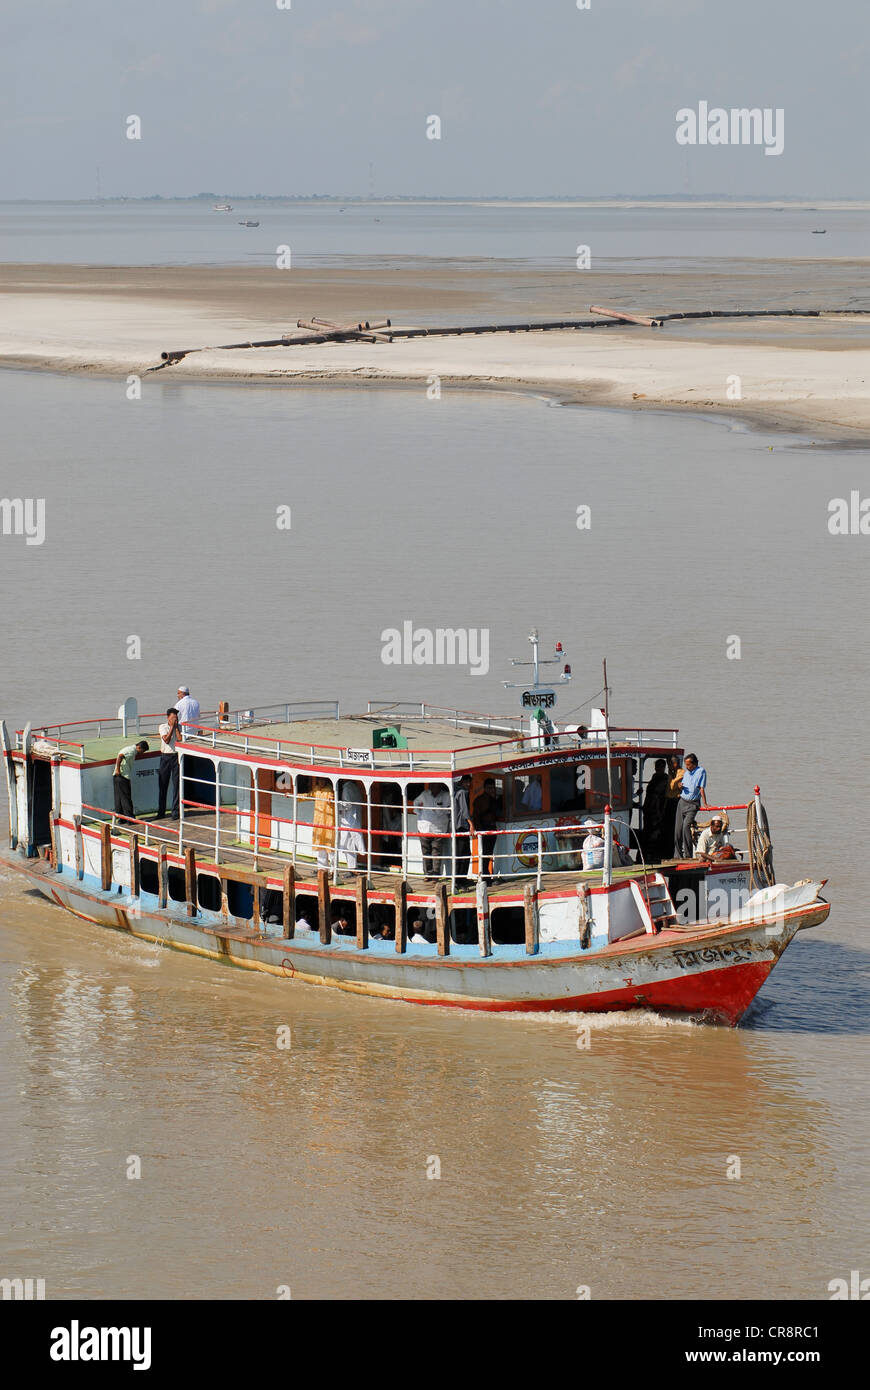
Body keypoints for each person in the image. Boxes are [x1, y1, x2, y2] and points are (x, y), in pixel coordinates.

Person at [412, 782, 451, 879]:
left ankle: (436, 875)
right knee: (426, 852)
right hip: (424, 827)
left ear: (440, 787)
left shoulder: (446, 796)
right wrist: (419, 813)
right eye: (432, 786)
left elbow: (450, 809)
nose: (433, 788)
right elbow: (415, 802)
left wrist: (445, 813)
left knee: (436, 852)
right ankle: (427, 874)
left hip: (439, 828)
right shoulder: (425, 794)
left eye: (435, 786)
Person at [674, 753, 708, 859]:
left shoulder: (701, 771)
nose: (687, 767)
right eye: (686, 765)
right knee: (677, 830)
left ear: (694, 764)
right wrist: (679, 786)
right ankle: (678, 855)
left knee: (686, 827)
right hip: (682, 802)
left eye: (689, 765)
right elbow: (683, 786)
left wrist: (705, 803)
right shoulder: (686, 773)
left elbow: (701, 788)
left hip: (692, 804)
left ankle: (688, 855)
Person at [112, 740, 149, 822]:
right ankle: (130, 818)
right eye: (142, 751)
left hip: (117, 776)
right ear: (139, 747)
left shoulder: (130, 750)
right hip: (122, 776)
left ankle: (121, 818)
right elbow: (120, 756)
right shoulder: (131, 751)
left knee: (119, 798)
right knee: (126, 798)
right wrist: (118, 770)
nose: (142, 753)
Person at [471, 777, 500, 880]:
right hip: (485, 828)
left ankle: (485, 874)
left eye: (493, 788)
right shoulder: (483, 800)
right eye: (489, 788)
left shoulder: (489, 799)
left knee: (487, 853)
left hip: (489, 828)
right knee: (486, 853)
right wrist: (479, 830)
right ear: (485, 788)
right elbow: (477, 815)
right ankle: (485, 875)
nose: (491, 790)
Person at [642, 757, 669, 861]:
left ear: (664, 767)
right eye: (657, 767)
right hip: (649, 809)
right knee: (648, 832)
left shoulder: (666, 779)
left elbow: (663, 797)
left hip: (658, 811)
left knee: (656, 833)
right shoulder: (654, 778)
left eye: (660, 767)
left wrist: (661, 812)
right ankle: (646, 855)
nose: (658, 769)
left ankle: (655, 855)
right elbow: (649, 795)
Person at [155, 707, 180, 820]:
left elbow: (180, 739)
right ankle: (161, 812)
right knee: (163, 785)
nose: (175, 720)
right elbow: (166, 740)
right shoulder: (162, 727)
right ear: (168, 718)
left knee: (176, 786)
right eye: (173, 717)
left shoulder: (178, 727)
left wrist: (176, 728)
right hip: (165, 757)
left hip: (175, 757)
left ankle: (175, 812)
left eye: (176, 717)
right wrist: (171, 728)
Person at [338, 779, 366, 872]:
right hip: (355, 818)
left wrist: (336, 805)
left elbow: (347, 804)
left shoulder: (346, 788)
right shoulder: (356, 788)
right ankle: (352, 867)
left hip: (348, 820)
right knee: (353, 843)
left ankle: (352, 868)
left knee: (348, 844)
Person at [312, 778, 336, 870]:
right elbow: (308, 795)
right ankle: (322, 869)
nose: (321, 782)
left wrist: (331, 799)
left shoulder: (330, 790)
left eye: (323, 781)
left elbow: (332, 797)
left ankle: (333, 870)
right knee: (320, 846)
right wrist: (294, 795)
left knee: (330, 848)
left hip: (328, 822)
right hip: (318, 822)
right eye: (320, 780)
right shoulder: (316, 790)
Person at [453, 775, 472, 882]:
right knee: (464, 853)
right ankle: (460, 879)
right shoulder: (462, 792)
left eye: (469, 782)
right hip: (461, 826)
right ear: (462, 782)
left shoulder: (455, 791)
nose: (468, 784)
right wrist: (471, 824)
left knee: (460, 854)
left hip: (456, 826)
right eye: (467, 782)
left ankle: (460, 879)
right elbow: (465, 811)